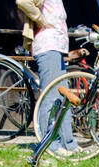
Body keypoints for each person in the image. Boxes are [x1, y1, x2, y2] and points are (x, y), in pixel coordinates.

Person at [18, 0, 78, 156]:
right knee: (50, 95)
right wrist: (42, 20)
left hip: (57, 47)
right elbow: (22, 2)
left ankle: (69, 143)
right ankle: (49, 143)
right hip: (47, 45)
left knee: (63, 97)